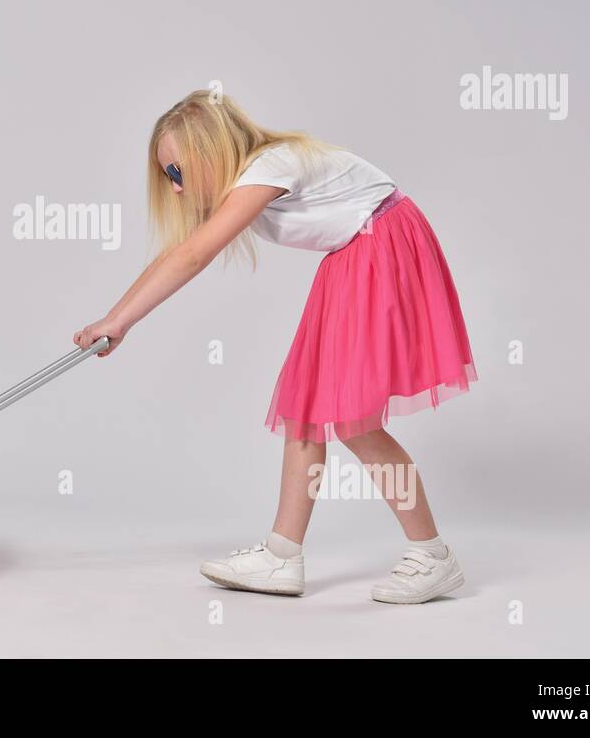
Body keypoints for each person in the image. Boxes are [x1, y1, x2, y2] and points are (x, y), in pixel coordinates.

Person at [73, 90, 477, 603]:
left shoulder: (269, 167)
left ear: (210, 152)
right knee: (307, 406)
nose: (174, 190)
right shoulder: (251, 183)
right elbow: (180, 252)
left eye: (177, 173)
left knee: (355, 420)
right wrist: (116, 317)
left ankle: (433, 555)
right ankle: (282, 554)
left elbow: (194, 256)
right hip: (353, 254)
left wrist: (121, 321)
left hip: (378, 246)